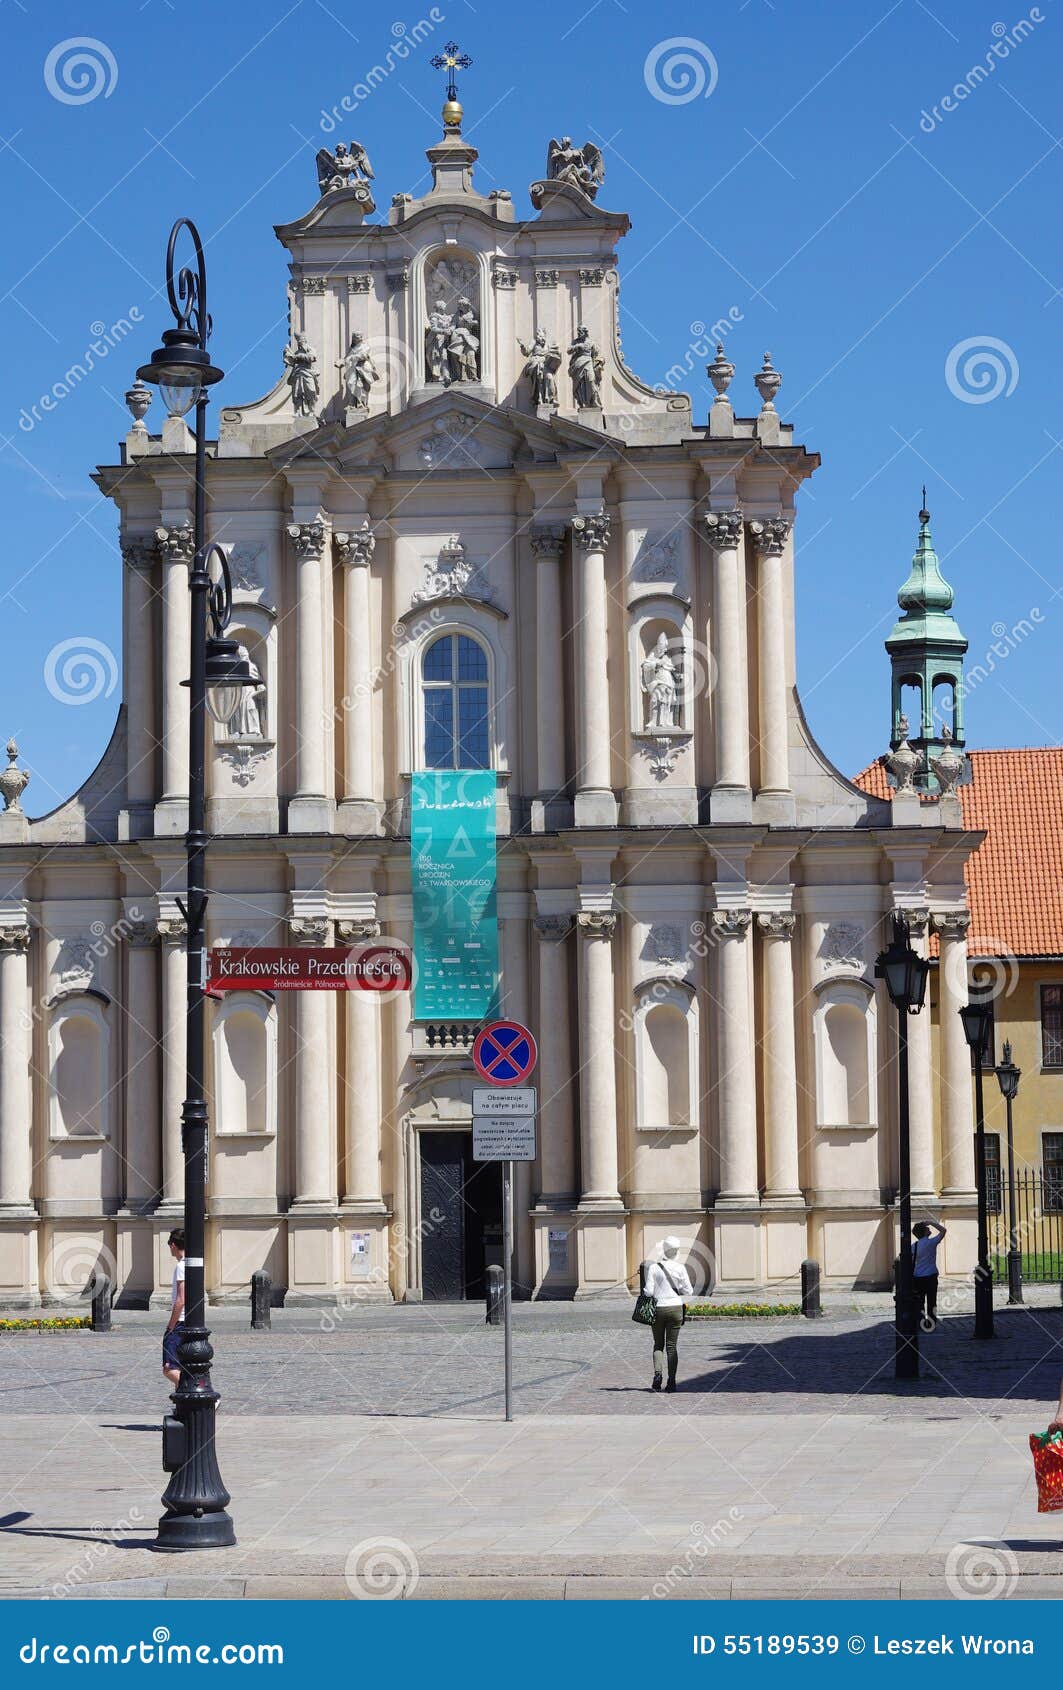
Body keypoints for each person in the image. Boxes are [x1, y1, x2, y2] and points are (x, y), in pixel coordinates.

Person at [640, 1237, 694, 1393]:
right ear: (676, 1252)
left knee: (658, 1345)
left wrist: (649, 1291)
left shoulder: (654, 1268)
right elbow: (688, 1291)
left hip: (658, 1308)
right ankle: (672, 1381)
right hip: (676, 1308)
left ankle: (658, 1375)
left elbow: (649, 1292)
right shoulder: (680, 1268)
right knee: (672, 1347)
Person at [912, 1218, 946, 1329]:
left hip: (918, 1277)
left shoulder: (914, 1246)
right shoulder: (931, 1242)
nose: (929, 1229)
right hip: (931, 1276)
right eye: (927, 1228)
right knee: (932, 1301)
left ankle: (920, 1322)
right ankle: (931, 1323)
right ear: (925, 1232)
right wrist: (931, 1222)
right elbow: (943, 1230)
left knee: (920, 1301)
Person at [163, 1228, 186, 1388]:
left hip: (180, 1321)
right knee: (180, 1367)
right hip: (188, 1321)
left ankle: (199, 1394)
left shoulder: (181, 1266)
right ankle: (182, 1407)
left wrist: (171, 1325)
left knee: (169, 1368)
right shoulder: (192, 1264)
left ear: (173, 1245)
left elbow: (181, 1299)